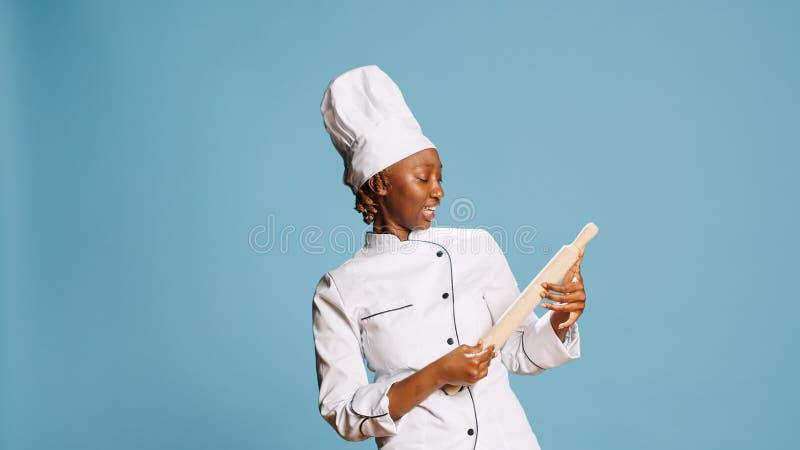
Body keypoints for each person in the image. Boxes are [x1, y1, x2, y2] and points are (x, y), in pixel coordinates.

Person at [313, 65, 587, 449]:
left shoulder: (477, 247)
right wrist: (437, 373)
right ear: (379, 183)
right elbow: (343, 412)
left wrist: (560, 319)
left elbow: (518, 349)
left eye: (440, 177)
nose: (439, 191)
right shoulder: (340, 289)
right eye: (424, 178)